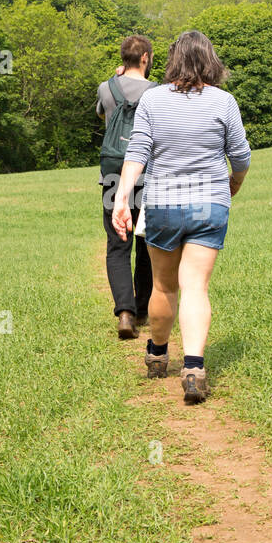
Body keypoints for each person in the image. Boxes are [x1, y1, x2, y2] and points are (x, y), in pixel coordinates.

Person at [111, 31, 251, 404]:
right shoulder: (224, 102)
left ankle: (157, 354)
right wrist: (233, 183)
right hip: (210, 205)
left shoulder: (153, 100)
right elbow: (241, 158)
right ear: (210, 60)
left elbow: (138, 151)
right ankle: (193, 367)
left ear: (172, 60)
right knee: (195, 286)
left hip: (163, 206)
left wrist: (122, 198)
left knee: (163, 286)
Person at [98, 35, 158, 339]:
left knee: (117, 241)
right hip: (147, 171)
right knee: (145, 240)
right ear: (145, 57)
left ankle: (125, 312)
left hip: (113, 171)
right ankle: (143, 306)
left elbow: (101, 115)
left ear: (124, 59)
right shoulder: (158, 92)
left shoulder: (106, 88)